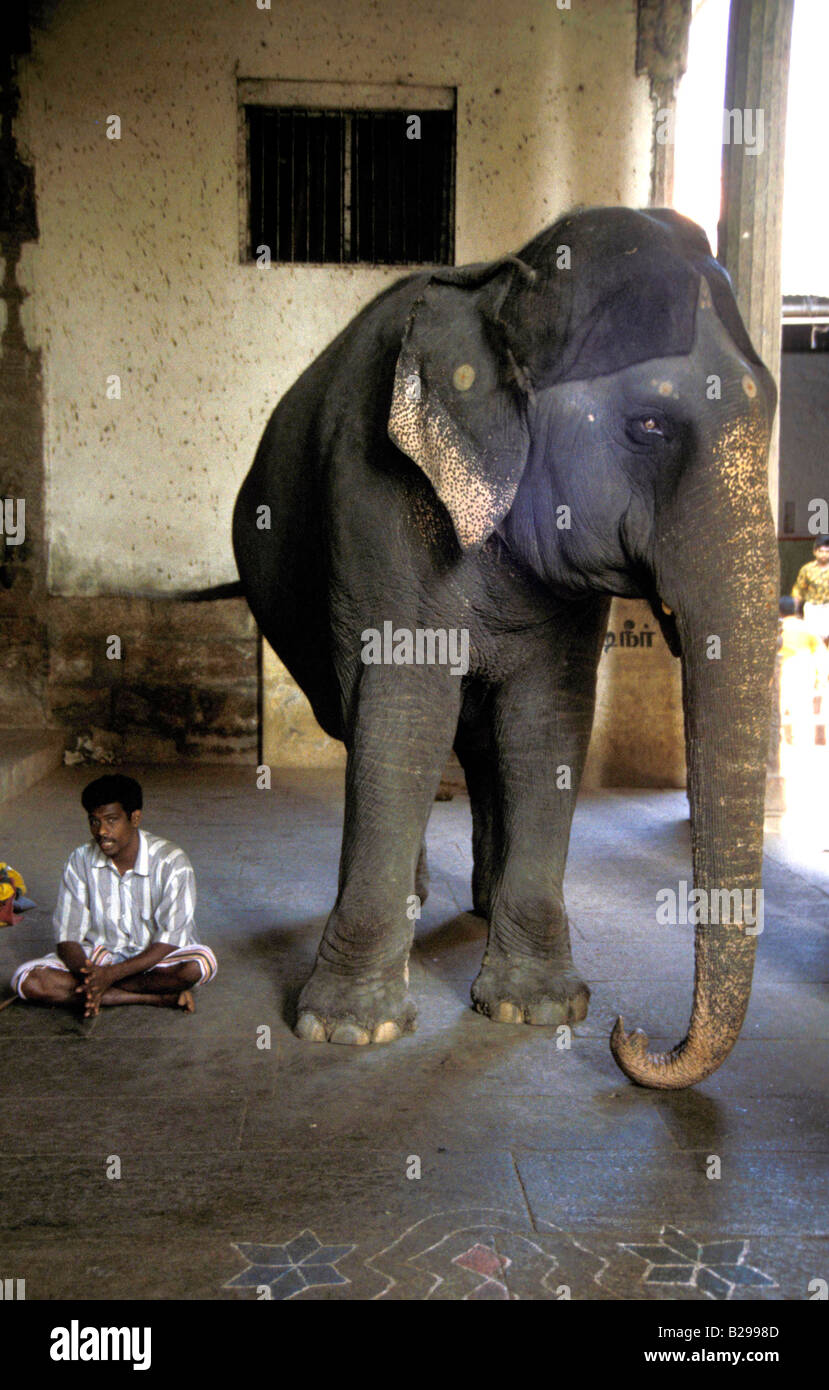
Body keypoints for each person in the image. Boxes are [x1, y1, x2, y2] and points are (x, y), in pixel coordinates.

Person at [11, 774, 216, 1015]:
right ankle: (153, 999)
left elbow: (170, 940)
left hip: (152, 958)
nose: (102, 832)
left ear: (135, 818)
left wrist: (109, 976)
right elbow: (67, 938)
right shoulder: (80, 860)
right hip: (100, 957)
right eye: (94, 821)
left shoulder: (172, 862)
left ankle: (102, 991)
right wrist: (91, 975)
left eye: (111, 820)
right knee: (27, 980)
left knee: (198, 965)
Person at [792, 535, 829, 645]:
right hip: (812, 608)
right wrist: (794, 611)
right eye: (821, 551)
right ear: (815, 552)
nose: (824, 555)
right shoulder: (807, 569)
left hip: (828, 608)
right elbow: (798, 590)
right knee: (812, 639)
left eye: (827, 552)